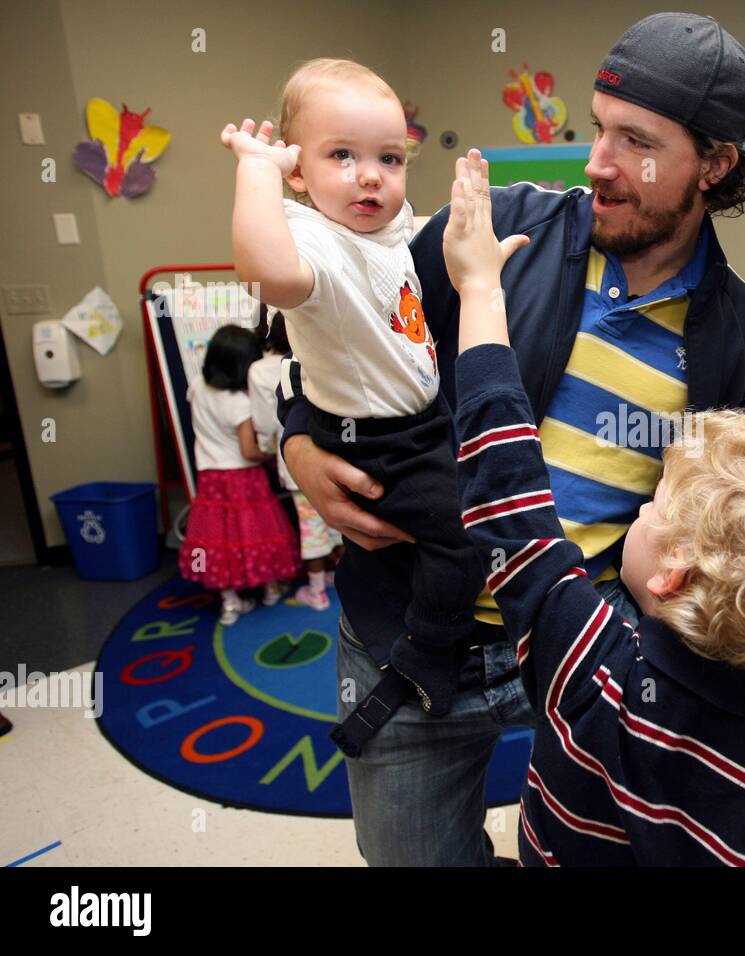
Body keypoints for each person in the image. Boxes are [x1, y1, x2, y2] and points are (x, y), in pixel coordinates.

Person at [277, 13, 745, 865]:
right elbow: (332, 323)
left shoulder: (744, 337)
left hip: (584, 642)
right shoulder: (497, 228)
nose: (597, 162)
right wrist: (299, 443)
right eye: (597, 128)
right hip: (408, 629)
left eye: (637, 141)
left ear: (717, 163)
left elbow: (720, 533)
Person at [443, 148, 745, 863]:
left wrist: (480, 291)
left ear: (670, 574)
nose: (639, 514)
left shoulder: (592, 671)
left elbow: (507, 490)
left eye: (653, 509)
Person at [220, 58, 480, 716]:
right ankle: (428, 648)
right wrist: (257, 171)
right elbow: (265, 276)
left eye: (390, 159)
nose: (370, 175)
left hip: (416, 423)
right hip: (374, 439)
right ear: (299, 172)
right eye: (342, 155)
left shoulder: (386, 229)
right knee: (462, 534)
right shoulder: (314, 239)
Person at [179, 325, 300, 625]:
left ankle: (230, 602)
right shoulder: (239, 403)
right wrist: (275, 456)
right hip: (243, 478)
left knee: (219, 540)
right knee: (257, 534)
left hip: (210, 477)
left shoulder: (196, 386)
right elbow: (249, 451)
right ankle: (270, 588)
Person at [248, 307, 342, 610]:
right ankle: (338, 574)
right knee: (336, 516)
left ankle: (317, 590)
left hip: (294, 458)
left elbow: (264, 421)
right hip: (333, 450)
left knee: (311, 524)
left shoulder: (261, 370)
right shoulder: (319, 356)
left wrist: (264, 446)